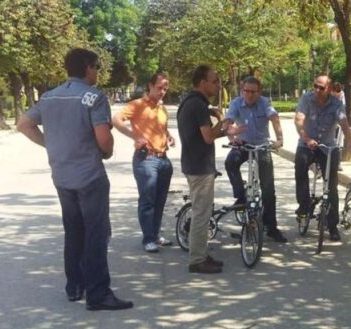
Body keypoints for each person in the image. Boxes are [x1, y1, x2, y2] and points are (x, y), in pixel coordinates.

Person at [17, 48, 133, 311]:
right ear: (88, 68)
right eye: (97, 68)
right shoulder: (93, 97)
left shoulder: (48, 98)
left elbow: (24, 124)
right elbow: (104, 139)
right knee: (96, 234)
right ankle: (98, 293)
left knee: (73, 230)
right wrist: (108, 151)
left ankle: (74, 286)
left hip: (62, 175)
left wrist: (51, 145)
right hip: (90, 176)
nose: (98, 73)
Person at [112, 71, 175, 253]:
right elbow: (116, 119)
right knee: (147, 201)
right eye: (159, 87)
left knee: (160, 200)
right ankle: (148, 239)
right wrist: (134, 135)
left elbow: (160, 129)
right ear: (150, 85)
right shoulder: (138, 105)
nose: (162, 91)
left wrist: (169, 137)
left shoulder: (161, 108)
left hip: (163, 159)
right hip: (146, 160)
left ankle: (155, 234)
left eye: (165, 88)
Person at [222, 75, 288, 243]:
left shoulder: (265, 103)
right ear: (242, 90)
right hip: (243, 144)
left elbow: (274, 118)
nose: (249, 95)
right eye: (246, 91)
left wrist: (279, 139)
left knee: (268, 189)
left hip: (261, 146)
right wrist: (231, 135)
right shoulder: (236, 103)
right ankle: (241, 195)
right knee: (230, 162)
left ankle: (271, 227)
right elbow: (228, 122)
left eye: (253, 92)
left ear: (259, 92)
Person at [177, 65, 228, 274]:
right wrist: (223, 122)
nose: (218, 85)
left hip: (195, 163)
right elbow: (208, 137)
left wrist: (221, 127)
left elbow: (203, 136)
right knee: (201, 214)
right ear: (202, 83)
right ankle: (197, 259)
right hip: (199, 166)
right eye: (214, 81)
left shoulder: (192, 103)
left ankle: (201, 253)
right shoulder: (197, 105)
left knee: (202, 211)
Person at [294, 75, 351, 242]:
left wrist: (350, 143)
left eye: (321, 87)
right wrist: (306, 139)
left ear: (329, 89)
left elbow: (343, 122)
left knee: (331, 185)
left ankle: (332, 225)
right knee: (300, 168)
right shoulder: (307, 99)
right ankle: (304, 206)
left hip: (328, 146)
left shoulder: (336, 103)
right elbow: (299, 120)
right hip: (307, 143)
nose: (317, 90)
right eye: (315, 86)